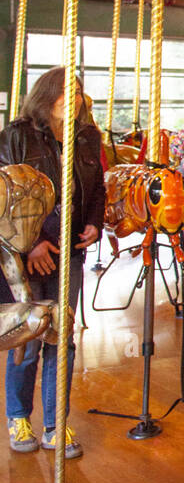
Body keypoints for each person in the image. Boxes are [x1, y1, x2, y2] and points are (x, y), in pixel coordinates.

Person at [1, 68, 105, 458]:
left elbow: (96, 189)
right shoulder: (16, 135)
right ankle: (18, 415)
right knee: (27, 331)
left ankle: (56, 421)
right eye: (65, 90)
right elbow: (6, 196)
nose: (73, 97)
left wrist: (94, 222)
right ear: (46, 94)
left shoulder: (88, 137)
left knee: (62, 336)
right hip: (28, 253)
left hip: (71, 249)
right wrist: (33, 245)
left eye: (77, 91)